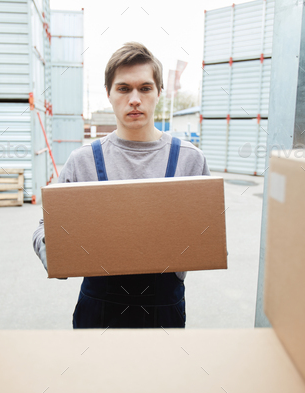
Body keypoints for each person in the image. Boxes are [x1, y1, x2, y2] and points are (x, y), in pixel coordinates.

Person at [32, 42, 210, 329]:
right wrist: (55, 253)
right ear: (109, 94)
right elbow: (45, 228)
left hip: (163, 307)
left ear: (159, 93)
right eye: (124, 88)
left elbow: (207, 231)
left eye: (145, 88)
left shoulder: (190, 160)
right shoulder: (82, 162)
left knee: (161, 375)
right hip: (99, 309)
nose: (135, 99)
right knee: (96, 376)